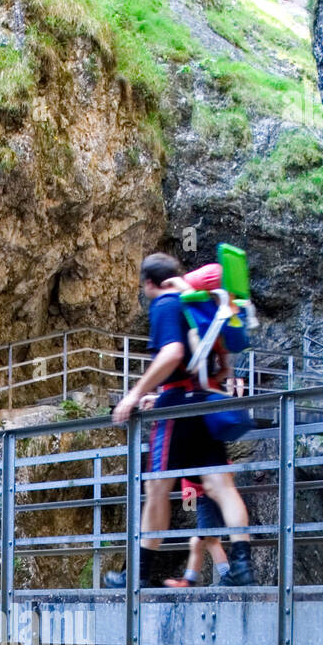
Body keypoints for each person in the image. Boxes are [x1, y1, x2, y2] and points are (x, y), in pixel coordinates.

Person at [105, 252, 255, 589]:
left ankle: (138, 574)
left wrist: (135, 393)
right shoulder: (197, 306)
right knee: (221, 486)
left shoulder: (165, 305)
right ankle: (243, 567)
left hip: (177, 408)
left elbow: (172, 353)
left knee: (157, 487)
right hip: (206, 401)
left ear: (148, 284)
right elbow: (202, 361)